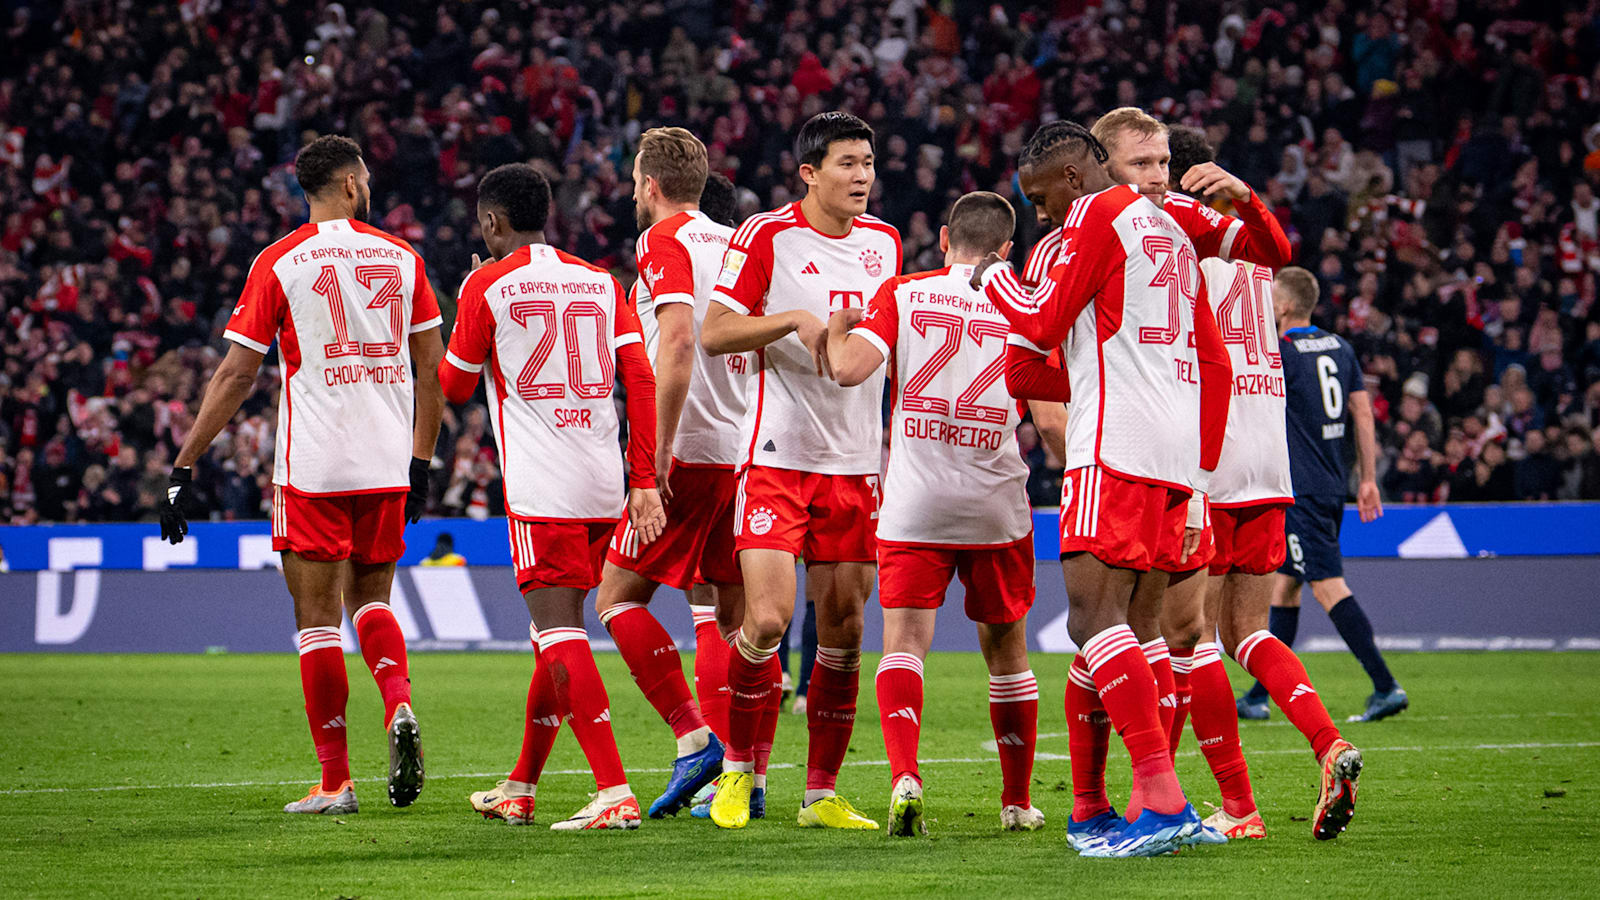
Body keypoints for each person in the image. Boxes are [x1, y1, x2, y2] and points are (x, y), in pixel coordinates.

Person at [159, 135, 444, 815]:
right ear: (350, 185)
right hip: (385, 462)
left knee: (317, 622)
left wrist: (184, 461)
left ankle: (335, 782)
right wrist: (422, 461)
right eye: (366, 179)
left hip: (314, 466)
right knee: (372, 602)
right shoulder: (404, 258)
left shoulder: (280, 260)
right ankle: (398, 704)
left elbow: (237, 372)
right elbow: (431, 371)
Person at [973, 112, 1232, 858]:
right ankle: (1103, 808)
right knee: (1137, 626)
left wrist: (991, 276)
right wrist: (1198, 475)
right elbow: (1205, 358)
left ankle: (1162, 798)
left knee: (1090, 620)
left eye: (1041, 198)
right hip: (1172, 446)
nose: (1040, 215)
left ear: (1073, 177)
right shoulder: (1169, 233)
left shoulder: (1095, 214)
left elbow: (1045, 319)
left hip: (1114, 441)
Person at [826, 191, 1059, 836]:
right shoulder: (1028, 304)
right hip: (996, 505)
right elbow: (1052, 420)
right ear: (1007, 250)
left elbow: (847, 370)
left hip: (914, 503)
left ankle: (905, 775)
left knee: (903, 646)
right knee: (1008, 652)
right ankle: (1016, 804)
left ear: (945, 234)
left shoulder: (901, 293)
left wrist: (842, 324)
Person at [440, 163, 664, 830]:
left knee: (561, 632)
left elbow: (453, 389)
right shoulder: (602, 281)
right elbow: (642, 381)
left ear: (491, 223)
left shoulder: (486, 282)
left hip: (542, 487)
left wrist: (463, 309)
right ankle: (521, 785)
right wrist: (643, 477)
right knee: (552, 634)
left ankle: (613, 790)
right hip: (604, 481)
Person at [1157, 126, 1365, 843]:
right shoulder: (1250, 247)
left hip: (1208, 462)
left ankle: (1237, 806)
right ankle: (1328, 742)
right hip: (1269, 462)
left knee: (1190, 640)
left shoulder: (1177, 238)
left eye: (1155, 167)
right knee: (1247, 631)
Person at [699, 111, 901, 830]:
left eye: (869, 163)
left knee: (843, 634)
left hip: (854, 467)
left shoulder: (885, 244)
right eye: (847, 163)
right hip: (777, 459)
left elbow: (878, 346)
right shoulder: (766, 236)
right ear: (809, 172)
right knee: (767, 619)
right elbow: (715, 332)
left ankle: (820, 794)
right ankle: (736, 771)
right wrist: (789, 319)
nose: (863, 177)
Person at [592, 127, 740, 818]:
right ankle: (742, 780)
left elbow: (677, 340)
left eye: (633, 179)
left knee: (617, 597)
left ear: (650, 185)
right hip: (747, 446)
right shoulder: (737, 241)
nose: (630, 190)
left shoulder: (665, 240)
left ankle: (693, 739)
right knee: (725, 616)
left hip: (691, 448)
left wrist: (655, 456)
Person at [1238, 270, 1409, 724]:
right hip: (1333, 483)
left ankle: (1385, 685)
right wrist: (1367, 479)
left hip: (1301, 490)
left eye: (1271, 297)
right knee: (1285, 585)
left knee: (1327, 584)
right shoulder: (1340, 347)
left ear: (1285, 307)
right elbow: (1362, 413)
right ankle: (1258, 695)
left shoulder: (1281, 353)